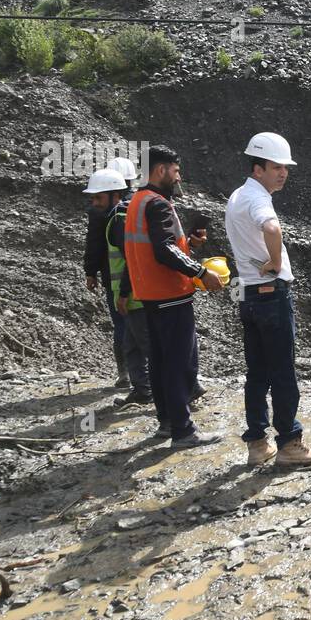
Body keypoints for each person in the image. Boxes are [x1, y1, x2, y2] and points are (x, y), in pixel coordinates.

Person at [225, 132, 311, 467]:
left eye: (285, 167)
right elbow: (271, 228)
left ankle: (257, 444)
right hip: (270, 294)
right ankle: (290, 444)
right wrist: (276, 262)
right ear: (258, 168)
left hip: (249, 295)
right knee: (282, 371)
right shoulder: (258, 199)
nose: (283, 173)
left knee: (257, 372)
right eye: (276, 167)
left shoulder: (237, 196)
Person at [123, 144, 225, 448]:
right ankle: (183, 430)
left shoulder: (137, 201)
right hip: (171, 294)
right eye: (176, 171)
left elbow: (157, 248)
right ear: (160, 170)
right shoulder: (158, 204)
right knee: (180, 362)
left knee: (160, 360)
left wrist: (189, 245)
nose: (179, 177)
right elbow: (164, 250)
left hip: (150, 295)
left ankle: (167, 423)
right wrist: (200, 271)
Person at [85, 168, 151, 407]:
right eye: (93, 198)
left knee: (146, 343)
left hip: (132, 293)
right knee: (131, 343)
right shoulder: (120, 214)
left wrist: (123, 292)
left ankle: (183, 388)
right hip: (125, 290)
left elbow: (133, 260)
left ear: (116, 194)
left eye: (99, 198)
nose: (94, 203)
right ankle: (143, 390)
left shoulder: (120, 219)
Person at [84, 160, 131, 390]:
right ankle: (136, 377)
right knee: (131, 327)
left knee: (124, 327)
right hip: (123, 281)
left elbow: (94, 243)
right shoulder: (134, 208)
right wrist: (90, 271)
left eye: (98, 197)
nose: (94, 203)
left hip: (118, 281)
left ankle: (130, 376)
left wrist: (90, 271)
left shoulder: (111, 214)